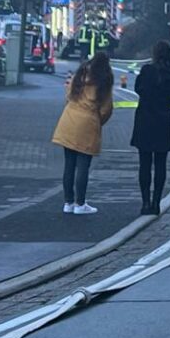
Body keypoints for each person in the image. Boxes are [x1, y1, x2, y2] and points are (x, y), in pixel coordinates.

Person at [51, 51, 115, 215]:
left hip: (69, 120)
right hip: (87, 123)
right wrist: (97, 121)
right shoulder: (104, 81)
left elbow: (68, 94)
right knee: (83, 166)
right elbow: (106, 109)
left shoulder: (80, 74)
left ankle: (68, 202)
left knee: (69, 165)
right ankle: (80, 204)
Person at [131, 40, 170, 214]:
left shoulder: (146, 71)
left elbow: (138, 89)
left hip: (145, 121)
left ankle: (145, 202)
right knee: (161, 164)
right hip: (164, 122)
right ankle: (156, 203)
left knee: (144, 164)